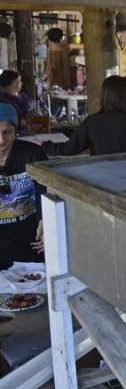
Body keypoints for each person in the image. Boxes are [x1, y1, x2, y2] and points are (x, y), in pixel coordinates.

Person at [43, 76, 126, 156]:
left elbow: (69, 149)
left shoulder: (92, 122)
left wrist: (46, 146)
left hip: (101, 174)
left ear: (105, 95)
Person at [0, 103, 46, 269]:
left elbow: (45, 191)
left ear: (16, 131)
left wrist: (46, 223)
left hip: (31, 236)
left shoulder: (32, 154)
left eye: (7, 132)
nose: (1, 141)